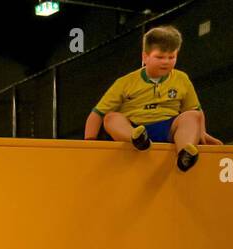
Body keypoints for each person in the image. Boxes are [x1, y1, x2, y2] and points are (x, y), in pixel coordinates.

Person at [83, 25, 222, 172]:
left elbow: (195, 111)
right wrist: (88, 144)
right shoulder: (125, 82)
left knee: (192, 116)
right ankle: (137, 139)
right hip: (135, 127)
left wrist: (202, 135)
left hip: (168, 128)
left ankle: (185, 154)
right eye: (160, 57)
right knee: (111, 118)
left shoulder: (182, 79)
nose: (166, 62)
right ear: (145, 57)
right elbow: (97, 114)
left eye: (171, 57)